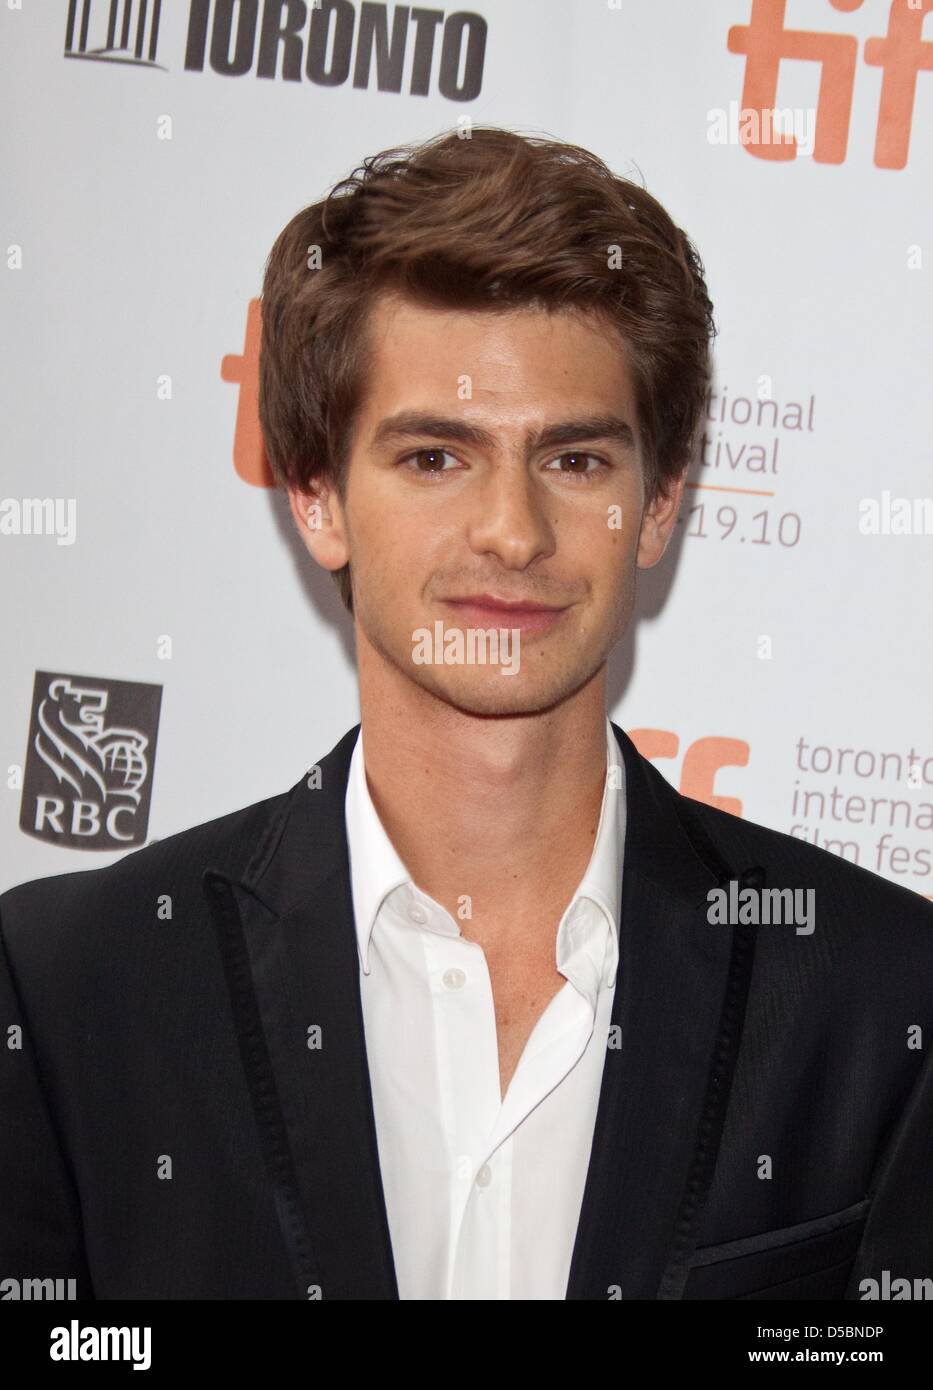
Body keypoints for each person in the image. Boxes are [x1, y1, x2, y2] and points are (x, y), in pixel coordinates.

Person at [1, 128, 931, 1302]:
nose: (512, 530)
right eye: (437, 456)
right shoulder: (69, 987)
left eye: (576, 458)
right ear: (317, 496)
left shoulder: (880, 999)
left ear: (659, 507)